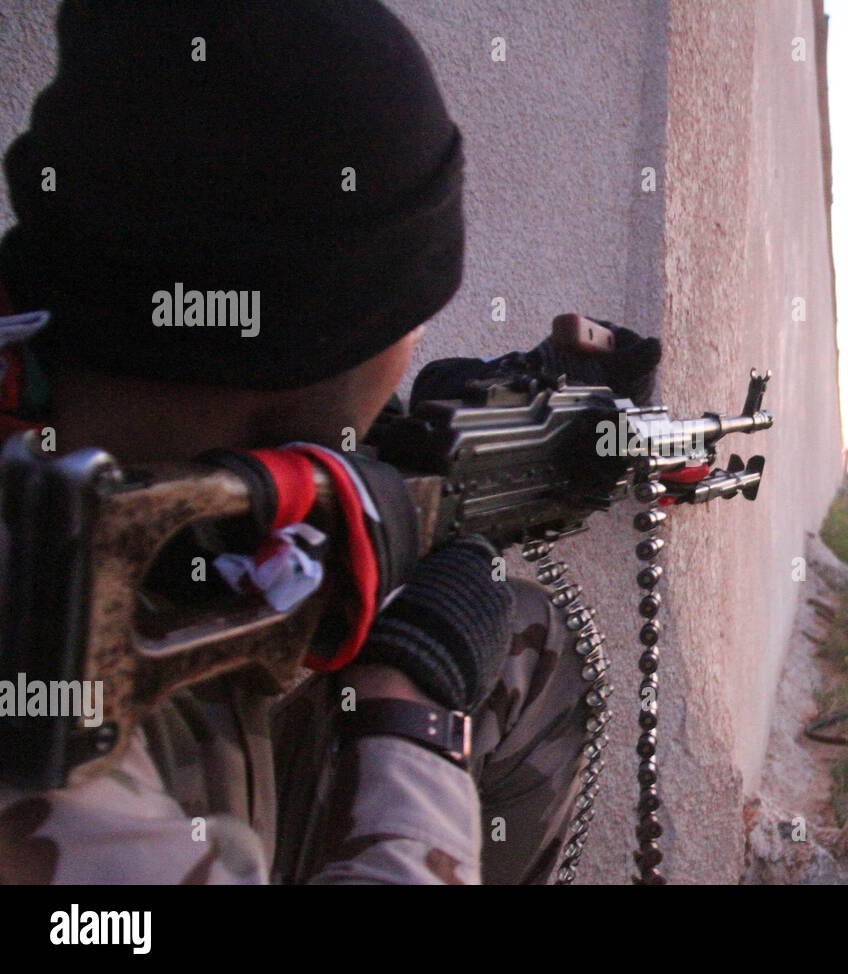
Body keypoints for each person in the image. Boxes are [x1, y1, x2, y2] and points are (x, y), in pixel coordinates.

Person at [0, 0, 656, 885]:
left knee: (526, 638)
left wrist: (438, 427)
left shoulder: (68, 391)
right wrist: (410, 711)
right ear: (301, 375)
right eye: (406, 320)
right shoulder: (47, 703)